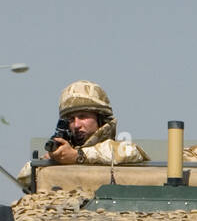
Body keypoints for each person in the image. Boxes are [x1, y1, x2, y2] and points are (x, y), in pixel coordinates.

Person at [17, 80, 148, 187]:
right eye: (71, 119)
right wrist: (49, 161)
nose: (76, 124)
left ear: (100, 118)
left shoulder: (119, 150)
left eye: (83, 116)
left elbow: (131, 152)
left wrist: (78, 156)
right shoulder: (63, 155)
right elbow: (24, 178)